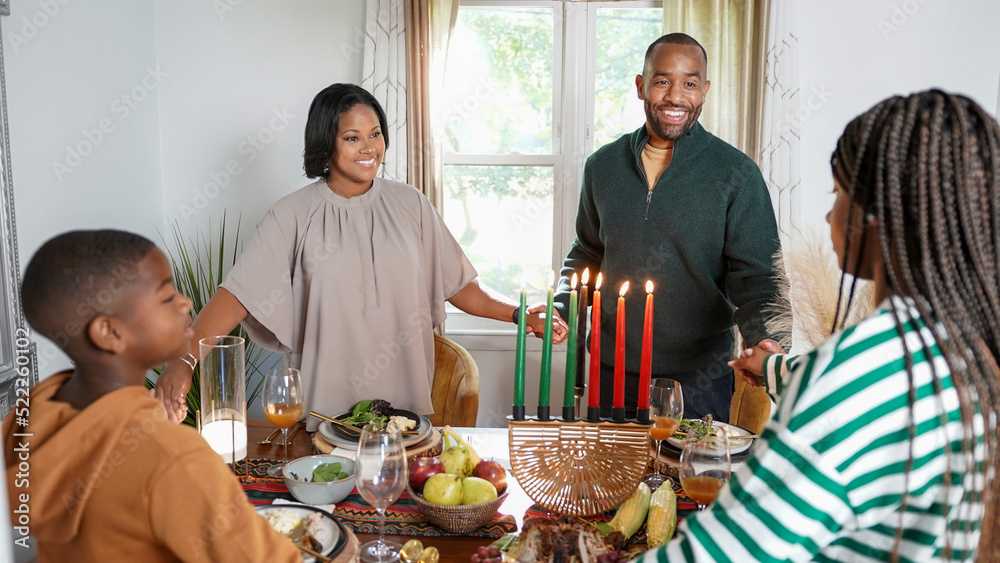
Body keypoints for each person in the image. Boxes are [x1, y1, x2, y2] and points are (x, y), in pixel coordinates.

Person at [643, 90, 1000, 561]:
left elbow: (720, 554)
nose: (831, 214)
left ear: (879, 215)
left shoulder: (863, 370)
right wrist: (771, 366)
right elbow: (845, 386)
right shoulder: (965, 346)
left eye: (838, 193)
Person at [155, 83, 567, 427]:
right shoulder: (292, 214)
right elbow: (236, 295)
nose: (368, 147)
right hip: (324, 419)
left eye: (375, 134)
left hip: (407, 419)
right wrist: (184, 361)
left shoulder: (412, 204)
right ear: (325, 144)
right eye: (352, 137)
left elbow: (460, 286)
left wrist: (521, 315)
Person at [3, 230, 301, 561]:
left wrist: (149, 418)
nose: (185, 302)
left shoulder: (31, 412)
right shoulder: (175, 456)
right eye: (165, 296)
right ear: (110, 332)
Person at [553, 33, 784, 421]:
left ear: (705, 91)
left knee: (683, 483)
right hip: (610, 373)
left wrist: (767, 338)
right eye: (662, 81)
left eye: (689, 84)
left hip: (697, 382)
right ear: (641, 86)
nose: (676, 96)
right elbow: (588, 252)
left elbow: (758, 276)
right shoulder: (602, 167)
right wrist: (561, 307)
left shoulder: (737, 174)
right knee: (612, 483)